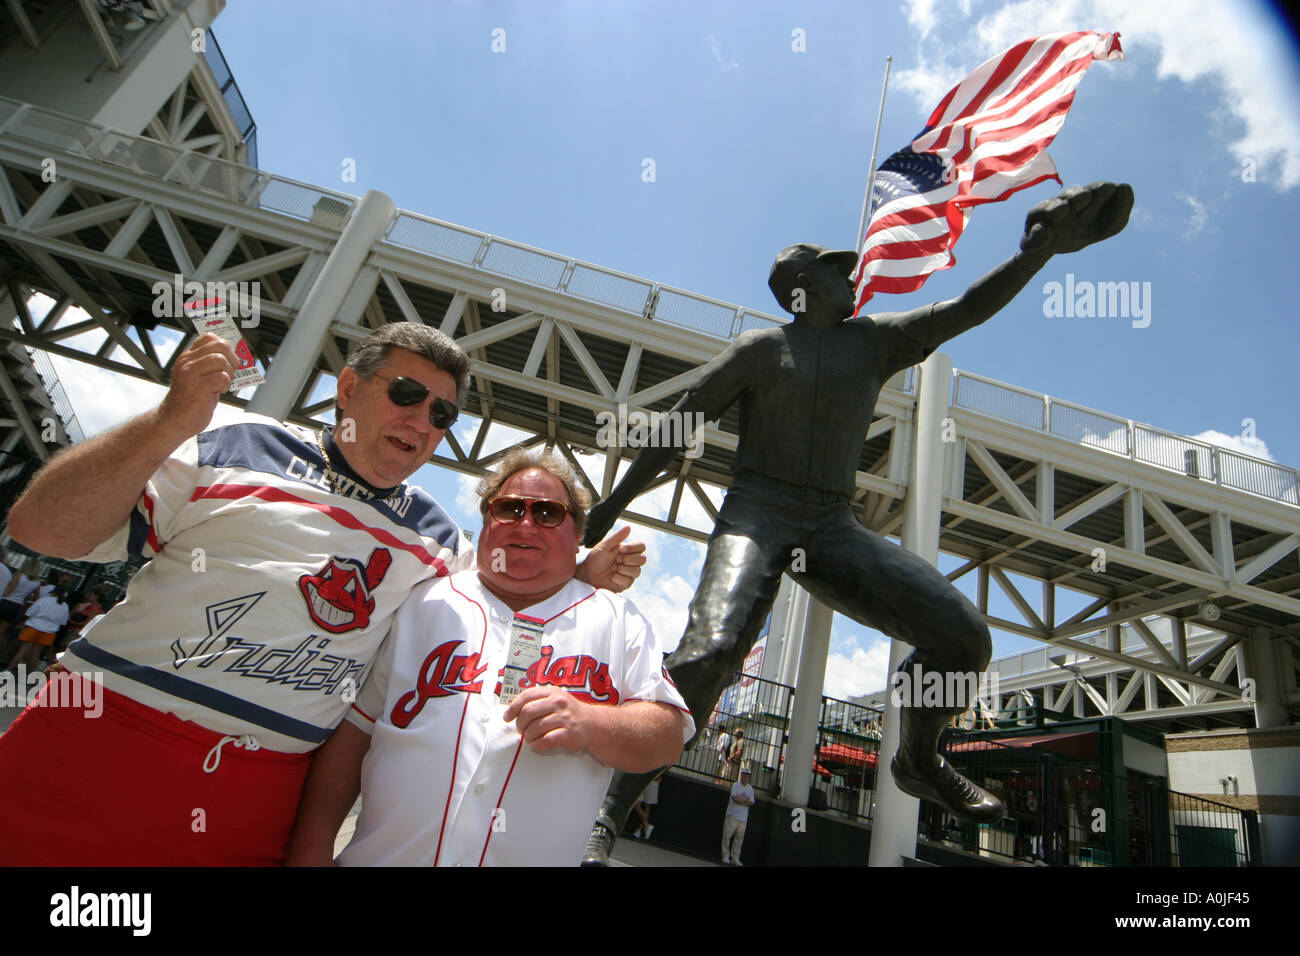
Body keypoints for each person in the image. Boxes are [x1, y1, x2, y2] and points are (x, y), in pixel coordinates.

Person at [581, 181, 1133, 864]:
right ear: (802, 288)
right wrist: (612, 503)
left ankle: (919, 762)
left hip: (830, 525)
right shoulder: (759, 351)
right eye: (838, 271)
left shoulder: (872, 343)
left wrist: (1037, 253)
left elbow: (966, 309)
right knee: (712, 652)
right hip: (758, 512)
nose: (853, 278)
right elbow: (678, 430)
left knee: (962, 637)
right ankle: (608, 810)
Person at [0, 322, 645, 865]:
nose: (422, 420)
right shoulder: (239, 445)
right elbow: (39, 529)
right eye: (405, 393)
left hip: (254, 800)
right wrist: (173, 417)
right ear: (347, 388)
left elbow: (500, 592)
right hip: (90, 749)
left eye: (441, 413)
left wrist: (581, 576)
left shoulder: (435, 540)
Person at [286, 447, 691, 866]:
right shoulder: (424, 598)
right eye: (510, 508)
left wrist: (591, 723)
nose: (527, 523)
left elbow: (667, 736)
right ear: (485, 521)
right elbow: (356, 733)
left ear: (577, 535)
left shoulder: (617, 618)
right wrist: (311, 848)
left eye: (548, 513)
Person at [7, 583, 69, 674]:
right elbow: (63, 622)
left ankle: (8, 670)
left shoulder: (43, 600)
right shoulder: (65, 606)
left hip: (33, 626)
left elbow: (29, 613)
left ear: (54, 592)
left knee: (23, 650)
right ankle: (28, 674)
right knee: (36, 653)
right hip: (49, 631)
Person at [723, 766, 756, 866]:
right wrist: (744, 800)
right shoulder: (735, 786)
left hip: (743, 818)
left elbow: (751, 802)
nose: (745, 777)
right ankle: (725, 855)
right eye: (744, 775)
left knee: (739, 839)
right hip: (732, 815)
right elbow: (735, 798)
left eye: (747, 776)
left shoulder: (750, 789)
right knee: (727, 836)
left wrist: (742, 800)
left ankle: (735, 857)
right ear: (741, 775)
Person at [633, 770, 665, 839]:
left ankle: (640, 830)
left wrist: (659, 776)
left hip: (653, 779)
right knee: (636, 805)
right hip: (642, 778)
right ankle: (646, 825)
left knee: (647, 806)